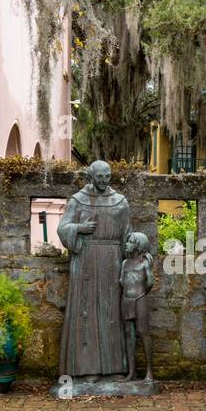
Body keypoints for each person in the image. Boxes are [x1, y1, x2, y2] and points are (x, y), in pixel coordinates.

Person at [56, 161, 132, 379]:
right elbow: (62, 229)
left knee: (111, 314)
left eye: (107, 176)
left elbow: (127, 234)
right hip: (86, 260)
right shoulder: (78, 200)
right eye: (100, 176)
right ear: (90, 176)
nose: (104, 180)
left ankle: (115, 368)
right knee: (85, 314)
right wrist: (79, 228)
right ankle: (86, 370)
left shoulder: (120, 201)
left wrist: (134, 258)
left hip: (113, 260)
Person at [119, 231, 154, 382]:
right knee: (129, 335)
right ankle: (131, 372)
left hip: (140, 298)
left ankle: (149, 372)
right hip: (126, 300)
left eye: (130, 241)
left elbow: (150, 282)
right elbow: (121, 281)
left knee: (143, 332)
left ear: (138, 245)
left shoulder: (144, 262)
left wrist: (140, 293)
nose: (127, 244)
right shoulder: (125, 263)